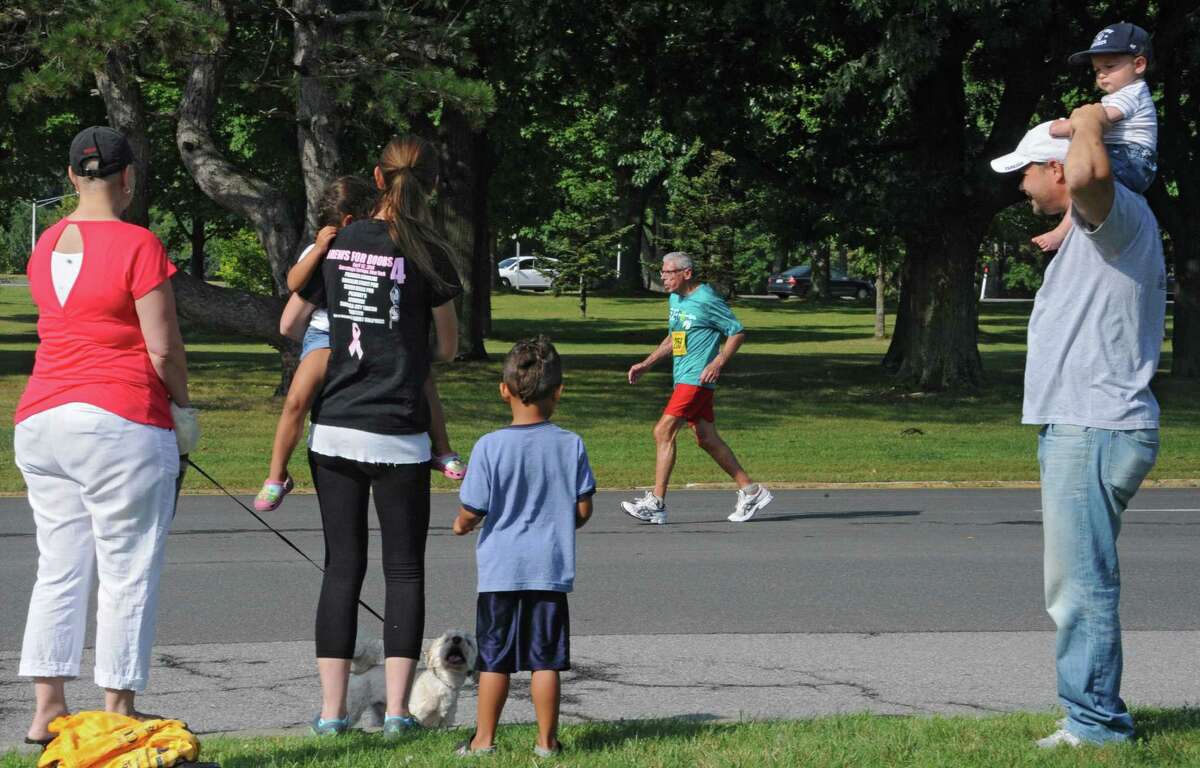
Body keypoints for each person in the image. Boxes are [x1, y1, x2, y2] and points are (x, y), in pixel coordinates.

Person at [15, 126, 197, 745]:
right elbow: (163, 344)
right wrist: (184, 407)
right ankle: (118, 706)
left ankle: (47, 708)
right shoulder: (139, 243)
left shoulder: (45, 242)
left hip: (42, 419)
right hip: (118, 416)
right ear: (128, 178)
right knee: (127, 566)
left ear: (72, 176)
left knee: (59, 566)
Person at [990, 110, 1166, 747]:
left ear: (1061, 171)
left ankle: (1095, 726)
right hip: (1089, 426)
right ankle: (1089, 716)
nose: (1021, 185)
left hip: (1093, 427)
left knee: (1080, 587)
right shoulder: (1099, 225)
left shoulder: (1109, 214)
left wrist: (1090, 117)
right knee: (1078, 582)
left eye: (1028, 171)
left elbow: (1093, 177)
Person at [298, 135, 461, 738]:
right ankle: (396, 712)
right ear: (434, 184)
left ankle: (331, 713)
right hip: (398, 432)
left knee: (342, 568)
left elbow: (301, 314)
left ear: (376, 176)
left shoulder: (340, 241)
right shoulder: (432, 251)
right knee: (404, 571)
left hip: (336, 425)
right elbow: (445, 347)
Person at [452, 337, 595, 757]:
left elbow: (472, 510)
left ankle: (482, 741)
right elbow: (582, 509)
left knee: (494, 659)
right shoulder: (571, 444)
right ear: (559, 391)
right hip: (548, 569)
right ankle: (547, 743)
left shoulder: (489, 447)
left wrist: (461, 526)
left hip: (500, 571)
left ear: (503, 390)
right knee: (545, 660)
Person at [621, 252, 772, 524]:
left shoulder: (707, 299)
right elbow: (674, 338)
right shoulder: (676, 299)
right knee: (705, 438)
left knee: (662, 431)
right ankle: (751, 490)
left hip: (697, 379)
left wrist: (718, 362)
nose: (663, 277)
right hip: (684, 377)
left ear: (686, 273)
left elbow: (737, 331)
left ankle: (656, 502)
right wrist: (646, 364)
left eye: (669, 273)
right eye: (663, 273)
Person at [255, 176, 376, 511]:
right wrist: (321, 249)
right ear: (350, 221)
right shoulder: (320, 248)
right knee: (297, 398)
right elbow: (293, 281)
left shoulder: (376, 248)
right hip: (325, 333)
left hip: (367, 333)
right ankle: (277, 476)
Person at [1034, 22, 1157, 252]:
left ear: (1139, 64)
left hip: (1130, 157)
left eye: (1109, 66)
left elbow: (1100, 119)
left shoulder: (1132, 92)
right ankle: (1070, 231)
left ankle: (1062, 232)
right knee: (1079, 178)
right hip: (1128, 156)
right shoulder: (1126, 92)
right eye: (1097, 69)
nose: (1101, 75)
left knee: (1085, 179)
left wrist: (1062, 127)